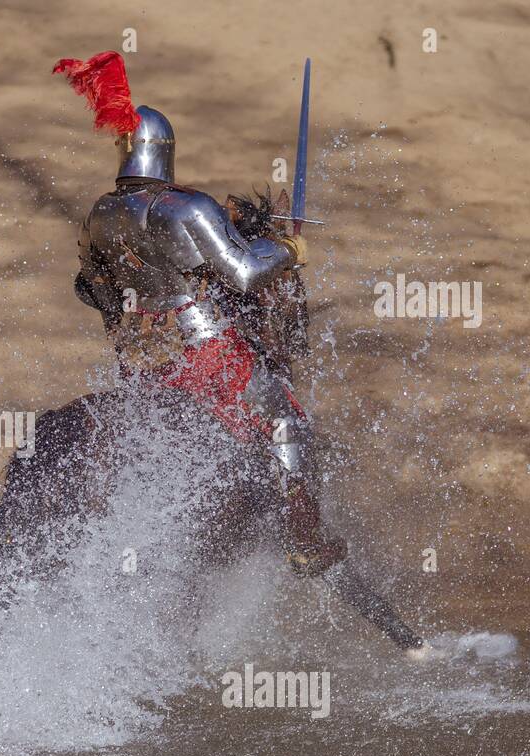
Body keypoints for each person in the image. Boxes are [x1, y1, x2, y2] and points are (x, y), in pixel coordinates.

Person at [56, 51, 346, 576]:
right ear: (164, 151)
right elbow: (245, 274)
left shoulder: (99, 214)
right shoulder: (185, 207)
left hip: (140, 367)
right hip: (207, 355)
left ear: (124, 148)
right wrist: (288, 250)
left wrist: (132, 317)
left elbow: (91, 288)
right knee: (286, 423)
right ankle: (305, 543)